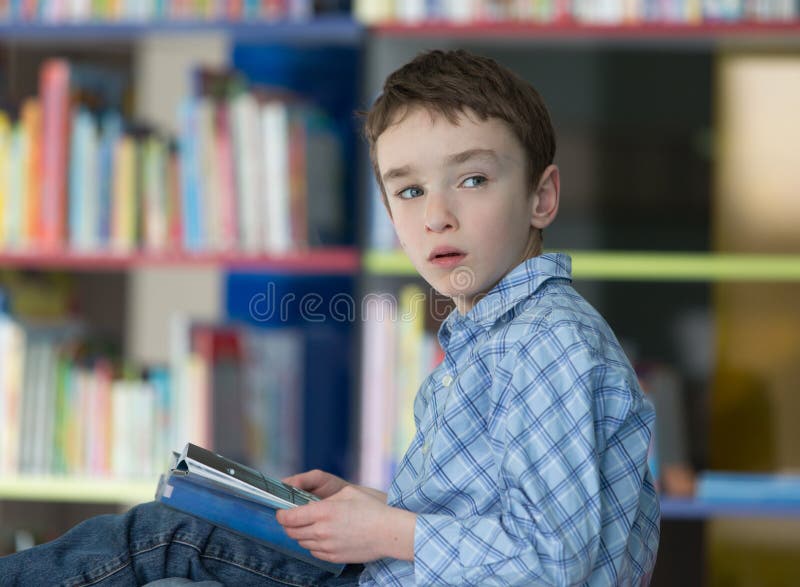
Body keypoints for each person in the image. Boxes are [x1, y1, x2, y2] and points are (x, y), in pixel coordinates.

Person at [0, 49, 659, 586]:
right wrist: (371, 507)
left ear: (542, 197)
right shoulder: (492, 336)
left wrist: (385, 531)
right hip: (386, 570)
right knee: (179, 541)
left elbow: (552, 559)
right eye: (408, 189)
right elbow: (478, 519)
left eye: (473, 179)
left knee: (164, 534)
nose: (437, 215)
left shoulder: (548, 344)